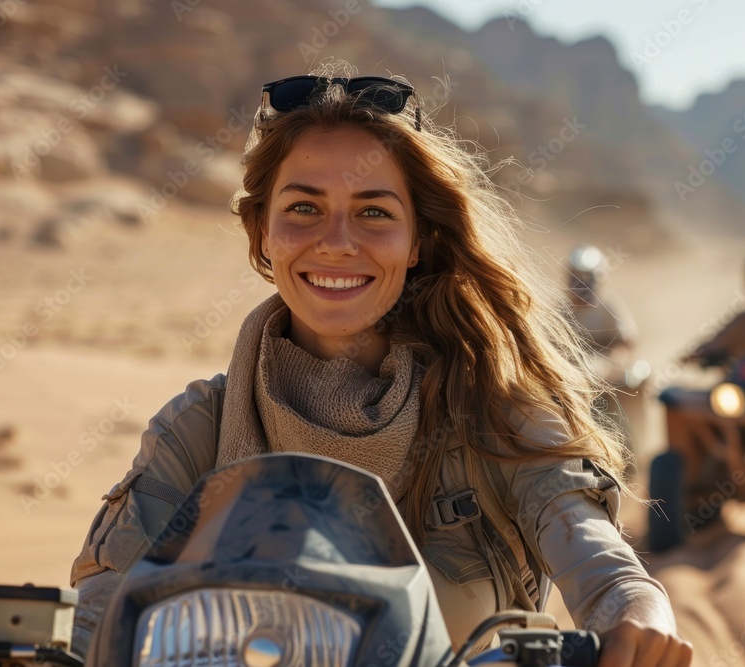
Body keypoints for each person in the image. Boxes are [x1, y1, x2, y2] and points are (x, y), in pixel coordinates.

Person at [68, 67, 692, 666]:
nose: (337, 240)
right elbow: (96, 618)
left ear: (417, 239)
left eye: (374, 211)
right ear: (261, 233)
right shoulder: (195, 429)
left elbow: (601, 564)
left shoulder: (501, 416)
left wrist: (637, 612)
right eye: (304, 209)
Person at [566, 244, 639, 354]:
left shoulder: (607, 306)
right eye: (577, 280)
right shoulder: (562, 309)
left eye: (588, 282)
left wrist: (610, 364)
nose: (582, 288)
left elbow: (628, 341)